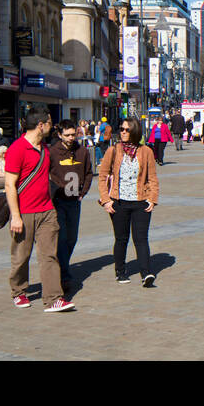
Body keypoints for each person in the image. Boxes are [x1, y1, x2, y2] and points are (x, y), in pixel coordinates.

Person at [6, 109, 75, 312]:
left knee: (49, 255)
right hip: (24, 212)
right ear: (40, 125)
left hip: (46, 210)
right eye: (49, 122)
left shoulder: (44, 148)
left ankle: (53, 298)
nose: (51, 126)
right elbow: (10, 185)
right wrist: (16, 216)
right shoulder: (17, 149)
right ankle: (18, 291)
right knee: (21, 256)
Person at [97, 118, 160, 285]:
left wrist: (152, 199)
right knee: (121, 238)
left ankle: (146, 273)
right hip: (119, 202)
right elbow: (102, 176)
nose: (123, 132)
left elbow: (152, 177)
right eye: (122, 129)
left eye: (127, 129)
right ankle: (120, 270)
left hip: (140, 201)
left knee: (141, 238)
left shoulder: (146, 151)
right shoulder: (114, 150)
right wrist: (105, 200)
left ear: (135, 132)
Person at [50, 118, 93, 294]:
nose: (70, 138)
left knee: (72, 238)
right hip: (58, 201)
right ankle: (64, 275)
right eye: (67, 135)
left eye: (73, 134)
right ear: (60, 135)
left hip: (75, 201)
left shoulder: (82, 151)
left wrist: (84, 192)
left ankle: (62, 267)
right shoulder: (53, 152)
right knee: (61, 238)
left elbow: (89, 173)